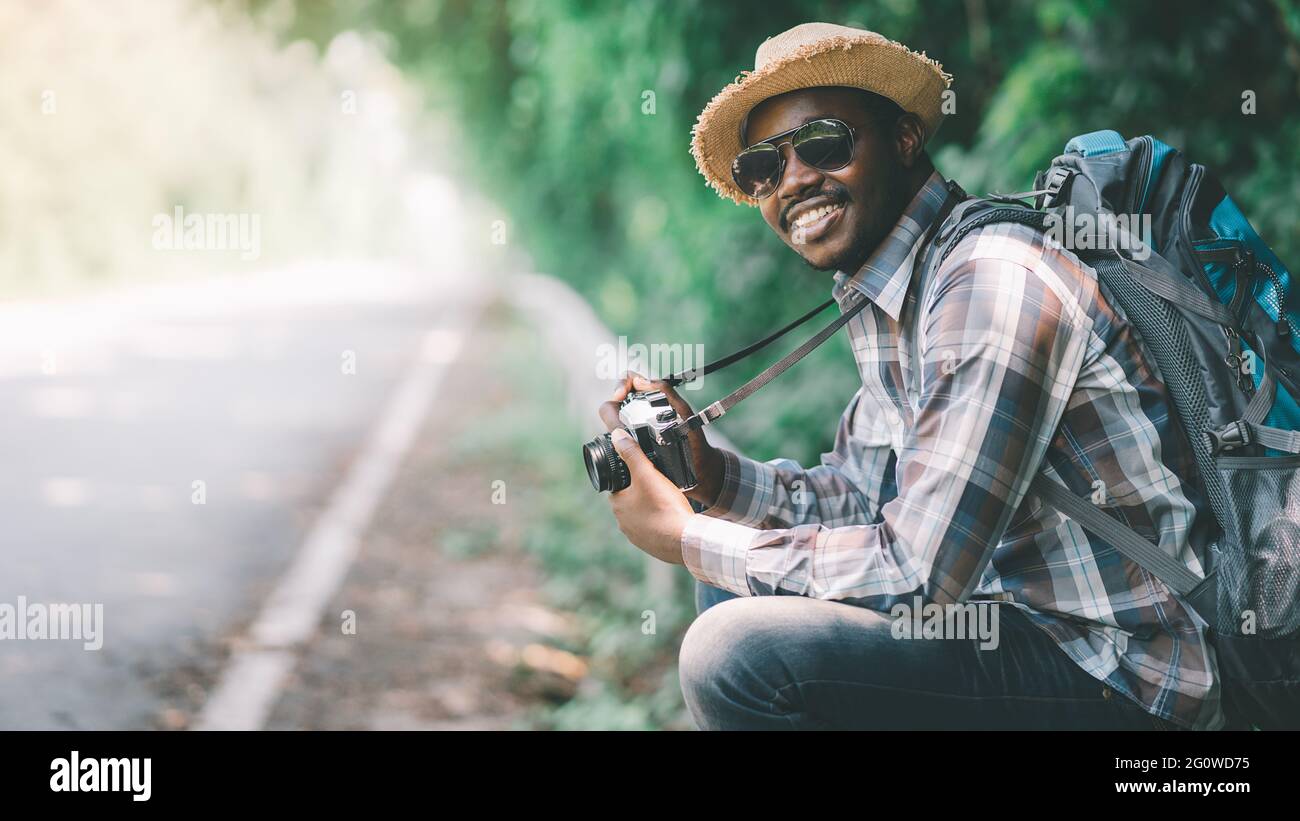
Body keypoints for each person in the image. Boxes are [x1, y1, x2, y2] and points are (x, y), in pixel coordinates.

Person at [598, 22, 1220, 730]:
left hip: (1124, 674)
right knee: (735, 597)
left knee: (737, 651)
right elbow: (859, 498)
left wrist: (686, 538)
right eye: (764, 168)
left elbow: (920, 573)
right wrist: (711, 480)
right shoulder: (901, 295)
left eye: (824, 142)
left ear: (903, 138)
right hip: (1015, 629)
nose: (795, 179)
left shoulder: (989, 281)